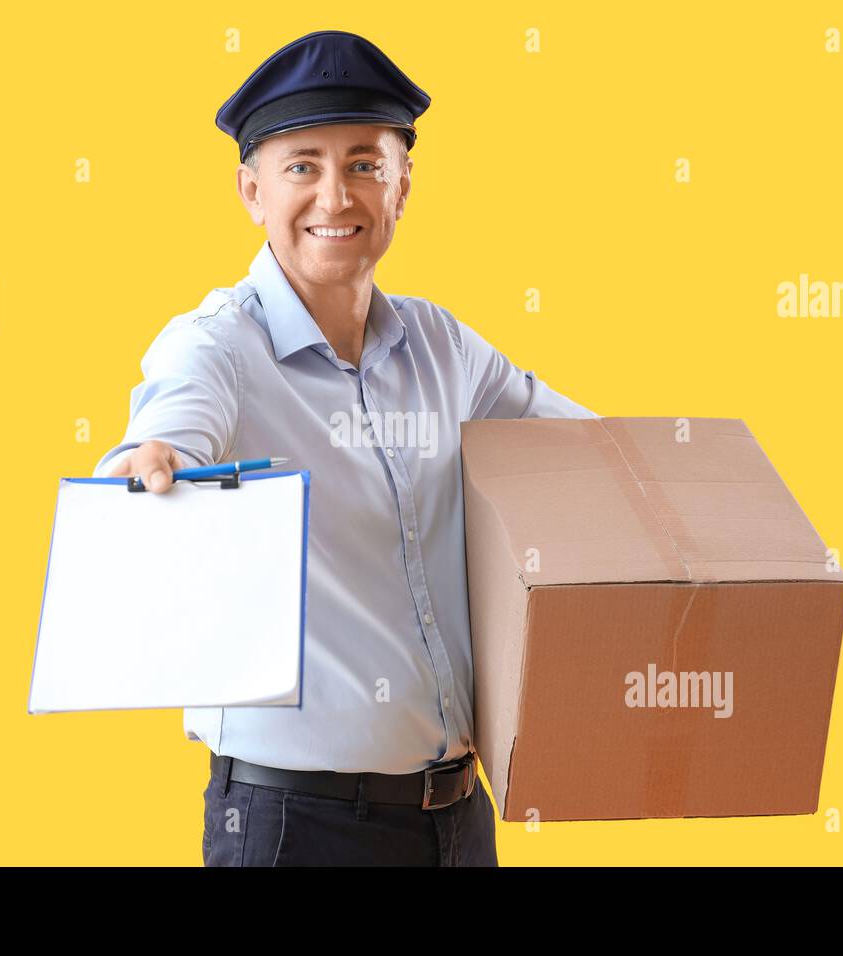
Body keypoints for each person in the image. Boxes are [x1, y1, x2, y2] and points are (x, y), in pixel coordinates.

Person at [94, 30, 600, 866]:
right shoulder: (218, 349)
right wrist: (155, 460)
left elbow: (589, 453)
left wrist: (683, 490)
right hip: (299, 827)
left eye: (365, 163)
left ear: (403, 186)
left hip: (459, 820)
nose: (336, 196)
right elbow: (170, 424)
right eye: (303, 166)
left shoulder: (443, 348)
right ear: (251, 191)